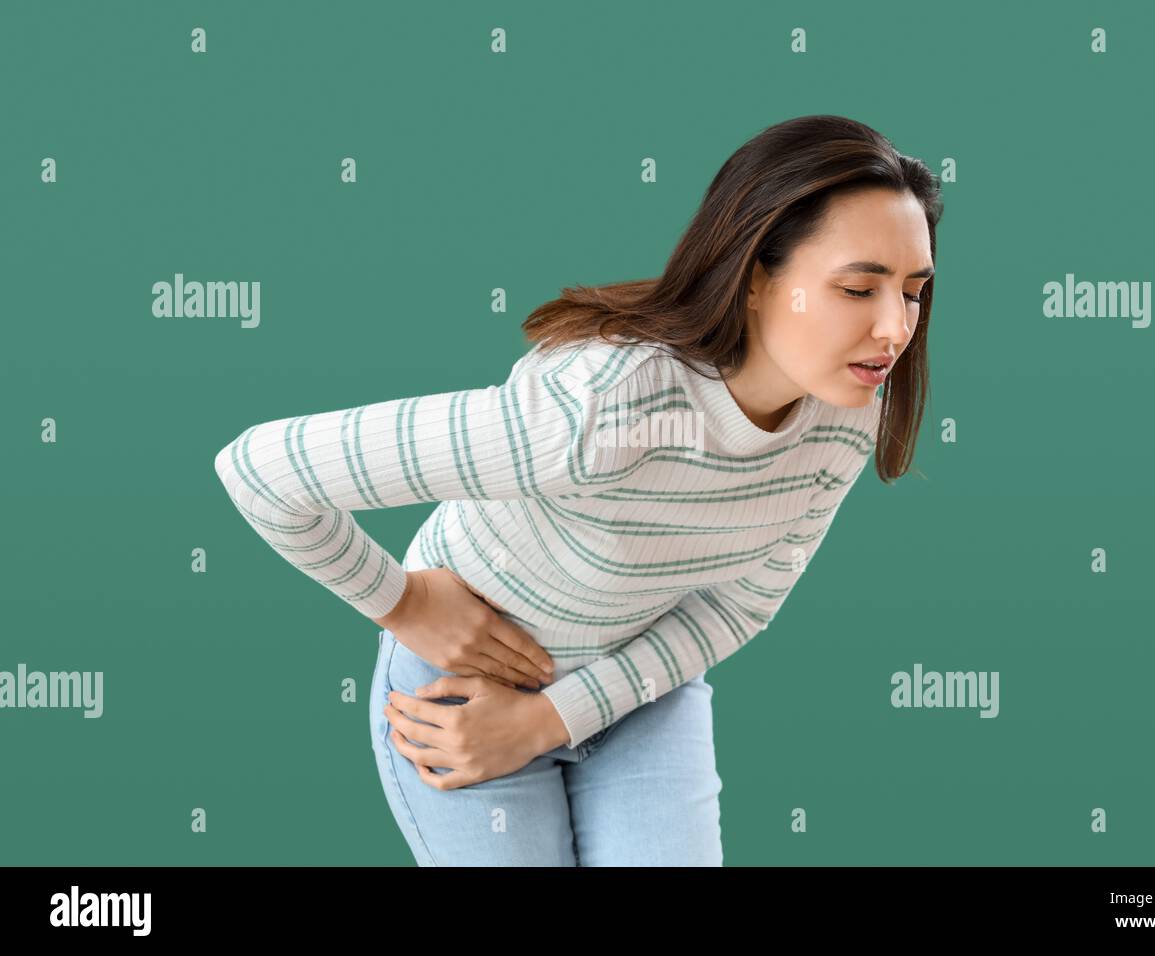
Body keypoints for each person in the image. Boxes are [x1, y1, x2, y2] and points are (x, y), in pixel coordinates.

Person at [213, 114, 943, 865]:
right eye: (859, 288)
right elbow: (263, 470)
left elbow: (739, 606)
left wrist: (552, 719)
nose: (895, 329)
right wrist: (404, 603)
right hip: (458, 696)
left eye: (915, 292)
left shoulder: (845, 421)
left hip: (638, 689)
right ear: (757, 278)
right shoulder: (596, 409)